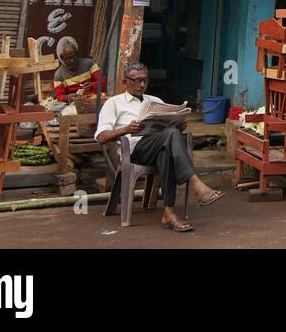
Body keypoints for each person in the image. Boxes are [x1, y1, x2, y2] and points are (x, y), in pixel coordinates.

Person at [95, 63, 223, 232]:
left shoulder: (155, 101)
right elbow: (101, 137)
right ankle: (195, 183)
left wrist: (178, 126)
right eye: (137, 80)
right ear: (125, 82)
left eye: (145, 81)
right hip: (135, 151)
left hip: (159, 145)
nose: (142, 85)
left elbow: (167, 129)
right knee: (169, 135)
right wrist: (126, 129)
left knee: (166, 151)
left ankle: (169, 213)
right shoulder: (114, 103)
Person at [51, 36, 102, 114]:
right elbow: (59, 96)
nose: (72, 60)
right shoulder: (59, 74)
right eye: (68, 58)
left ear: (76, 53)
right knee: (54, 106)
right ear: (62, 58)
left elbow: (103, 83)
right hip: (73, 105)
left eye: (73, 56)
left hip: (92, 101)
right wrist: (67, 97)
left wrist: (93, 85)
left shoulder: (90, 63)